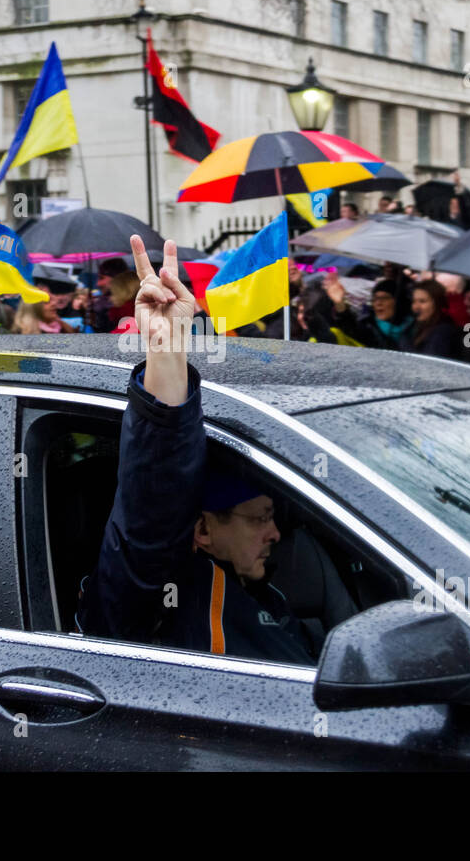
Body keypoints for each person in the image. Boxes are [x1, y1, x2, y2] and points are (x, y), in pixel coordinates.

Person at [74, 235, 317, 664]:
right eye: (259, 518)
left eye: (272, 517)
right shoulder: (157, 599)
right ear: (202, 531)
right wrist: (166, 354)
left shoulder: (269, 597)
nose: (276, 534)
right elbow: (153, 501)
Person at [399, 279, 466, 360]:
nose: (416, 307)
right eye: (414, 301)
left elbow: (427, 363)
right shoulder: (419, 327)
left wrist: (404, 339)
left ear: (437, 303)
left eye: (422, 301)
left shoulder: (443, 331)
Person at [329, 276, 403, 349]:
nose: (378, 303)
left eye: (384, 298)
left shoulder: (412, 326)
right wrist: (339, 303)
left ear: (397, 301)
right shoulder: (370, 325)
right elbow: (351, 327)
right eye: (375, 299)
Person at [13, 297, 79, 334]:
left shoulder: (62, 328)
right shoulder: (20, 333)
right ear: (32, 307)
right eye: (46, 302)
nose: (54, 303)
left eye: (53, 300)